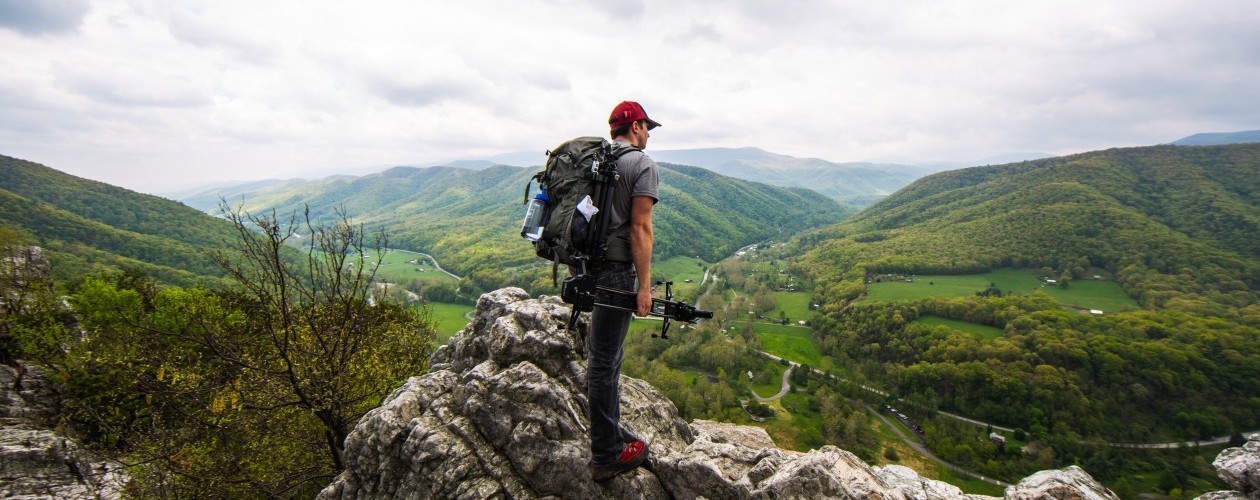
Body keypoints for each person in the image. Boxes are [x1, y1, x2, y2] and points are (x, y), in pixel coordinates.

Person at [586, 100, 661, 482]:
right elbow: (640, 229)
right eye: (647, 127)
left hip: (588, 268)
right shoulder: (641, 164)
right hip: (616, 271)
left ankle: (610, 433)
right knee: (604, 361)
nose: (648, 134)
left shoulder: (597, 160)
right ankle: (606, 454)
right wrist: (644, 287)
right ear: (635, 127)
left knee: (606, 357)